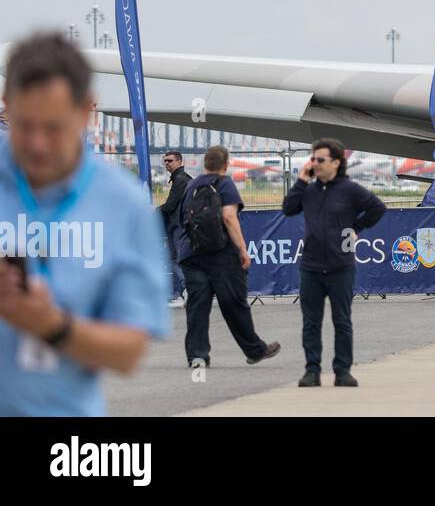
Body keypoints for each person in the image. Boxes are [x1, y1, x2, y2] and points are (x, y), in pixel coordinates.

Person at [0, 31, 170, 415]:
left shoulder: (125, 205)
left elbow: (129, 351)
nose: (38, 144)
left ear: (86, 111)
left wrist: (53, 325)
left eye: (54, 128)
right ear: (6, 104)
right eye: (25, 126)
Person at [282, 138, 386, 387]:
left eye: (320, 160)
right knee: (310, 322)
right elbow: (288, 209)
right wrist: (301, 180)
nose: (315, 164)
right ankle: (312, 371)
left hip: (341, 266)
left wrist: (356, 227)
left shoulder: (349, 190)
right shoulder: (307, 190)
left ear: (336, 162)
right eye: (313, 159)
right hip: (311, 266)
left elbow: (377, 208)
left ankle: (342, 371)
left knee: (342, 320)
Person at [177, 145, 280, 368]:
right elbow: (229, 217)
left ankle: (197, 356)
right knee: (234, 304)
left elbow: (181, 219)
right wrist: (243, 249)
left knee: (197, 306)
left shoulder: (192, 185)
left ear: (205, 163)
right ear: (226, 164)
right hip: (221, 255)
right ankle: (255, 350)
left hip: (191, 254)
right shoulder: (224, 184)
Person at [158, 150, 191, 305]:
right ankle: (186, 290)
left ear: (179, 161)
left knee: (175, 258)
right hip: (180, 225)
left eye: (170, 160)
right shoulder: (181, 178)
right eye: (165, 161)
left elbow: (171, 205)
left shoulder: (181, 179)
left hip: (179, 226)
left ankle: (188, 289)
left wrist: (155, 211)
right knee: (176, 259)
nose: (166, 163)